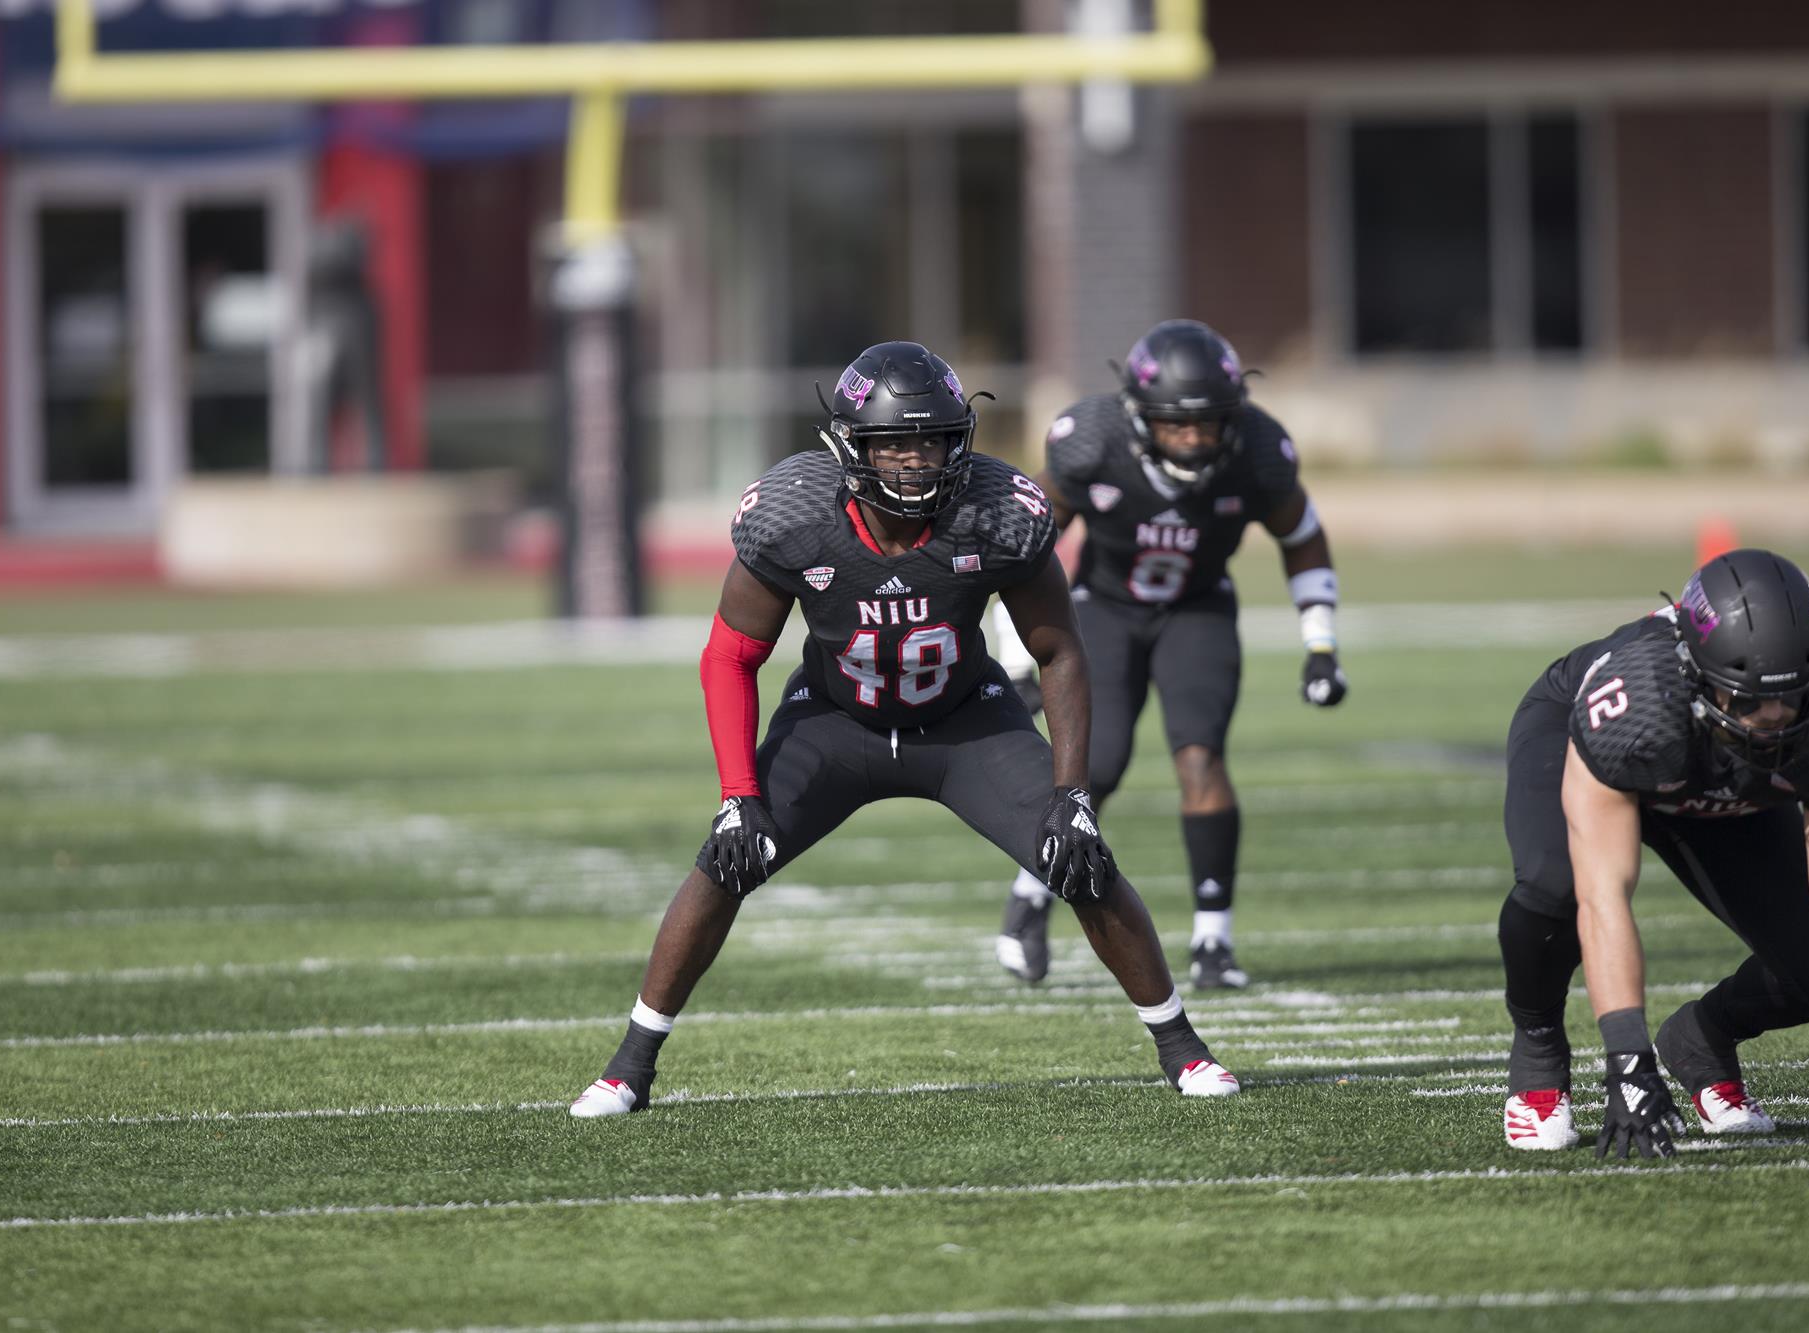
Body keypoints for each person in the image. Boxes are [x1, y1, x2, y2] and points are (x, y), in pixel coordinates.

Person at [571, 341, 1240, 1118]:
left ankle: (1182, 1048)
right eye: (893, 443)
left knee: (1082, 861)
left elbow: (1059, 651)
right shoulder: (794, 518)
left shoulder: (999, 514)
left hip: (965, 722)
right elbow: (729, 658)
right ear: (853, 446)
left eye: (930, 441)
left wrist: (1074, 793)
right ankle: (629, 1066)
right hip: (833, 721)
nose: (914, 461)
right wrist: (736, 795)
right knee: (727, 861)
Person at [1497, 548, 1809, 1158]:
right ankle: (1537, 1046)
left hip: (1718, 782)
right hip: (1613, 748)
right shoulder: (1634, 708)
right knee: (1552, 886)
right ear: (1696, 672)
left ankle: (1701, 1037)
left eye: (1793, 698)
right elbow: (1603, 895)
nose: (1773, 719)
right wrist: (1627, 1063)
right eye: (1747, 700)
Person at [990, 319, 1344, 991]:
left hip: (1198, 607)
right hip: (1103, 604)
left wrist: (1320, 643)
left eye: (1208, 422)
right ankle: (1030, 897)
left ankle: (1214, 939)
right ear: (1139, 415)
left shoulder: (1260, 452)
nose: (1192, 436)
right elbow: (1022, 550)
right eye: (1175, 422)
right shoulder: (1092, 443)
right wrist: (1017, 658)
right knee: (1098, 765)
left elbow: (1302, 534)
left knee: (1201, 759)